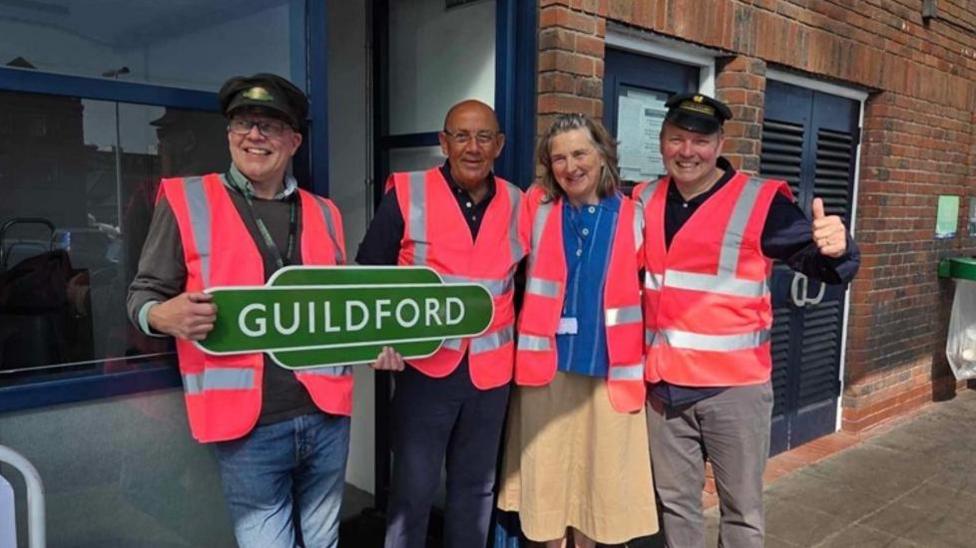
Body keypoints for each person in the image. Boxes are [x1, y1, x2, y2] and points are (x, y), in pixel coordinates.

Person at [127, 73, 354, 548]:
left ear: (293, 141)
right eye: (244, 124)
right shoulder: (187, 200)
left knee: (324, 542)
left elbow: (344, 307)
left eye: (270, 126)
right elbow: (142, 294)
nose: (255, 135)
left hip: (327, 413)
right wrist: (160, 316)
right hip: (247, 427)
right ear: (229, 134)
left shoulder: (326, 212)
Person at [635, 92, 860, 548]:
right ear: (661, 143)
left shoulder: (760, 202)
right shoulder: (643, 197)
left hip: (733, 393)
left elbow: (822, 265)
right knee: (674, 506)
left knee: (741, 512)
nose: (687, 151)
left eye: (700, 141)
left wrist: (840, 248)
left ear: (719, 145)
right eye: (676, 139)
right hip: (663, 392)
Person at [357, 99, 524, 548]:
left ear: (500, 145)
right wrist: (381, 340)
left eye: (484, 136)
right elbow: (370, 273)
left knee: (476, 491)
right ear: (443, 142)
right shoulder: (408, 193)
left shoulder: (518, 201)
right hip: (424, 371)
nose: (473, 147)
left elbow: (526, 283)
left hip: (491, 377)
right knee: (413, 491)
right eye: (462, 136)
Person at [496, 114, 658, 547]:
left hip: (610, 375)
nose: (571, 166)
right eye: (559, 158)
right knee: (547, 485)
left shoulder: (635, 214)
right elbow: (498, 266)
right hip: (546, 372)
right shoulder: (538, 209)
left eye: (580, 153)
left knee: (597, 487)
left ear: (603, 154)